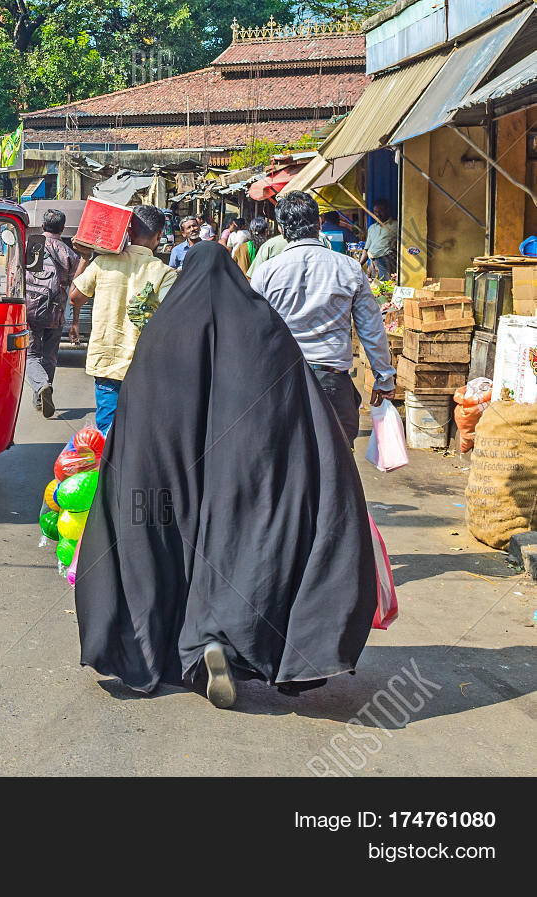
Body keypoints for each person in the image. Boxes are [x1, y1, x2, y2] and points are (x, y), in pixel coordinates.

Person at [75, 241, 379, 708]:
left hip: (165, 478)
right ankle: (219, 635)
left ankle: (151, 646)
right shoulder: (265, 327)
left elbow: (136, 413)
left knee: (162, 544)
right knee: (236, 546)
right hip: (245, 471)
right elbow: (299, 407)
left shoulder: (164, 328)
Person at [251, 191, 395, 449]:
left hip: (282, 380)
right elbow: (371, 329)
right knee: (337, 461)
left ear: (281, 229)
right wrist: (384, 377)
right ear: (318, 224)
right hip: (332, 382)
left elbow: (254, 333)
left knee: (288, 459)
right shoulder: (349, 268)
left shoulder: (265, 273)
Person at [68, 205, 177, 434]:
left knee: (107, 431)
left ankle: (109, 456)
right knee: (140, 431)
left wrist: (85, 258)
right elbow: (170, 317)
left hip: (107, 362)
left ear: (128, 231)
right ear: (159, 235)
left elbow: (75, 297)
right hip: (145, 365)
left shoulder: (102, 263)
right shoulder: (165, 273)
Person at [23, 208, 82, 418]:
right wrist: (75, 320)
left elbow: (16, 275)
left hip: (30, 310)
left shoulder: (30, 247)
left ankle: (41, 387)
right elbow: (78, 285)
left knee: (31, 355)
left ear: (42, 226)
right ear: (62, 229)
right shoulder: (68, 253)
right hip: (56, 311)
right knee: (49, 356)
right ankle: (42, 393)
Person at [365, 201, 398, 281]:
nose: (378, 214)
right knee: (374, 285)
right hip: (373, 262)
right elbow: (366, 249)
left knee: (387, 284)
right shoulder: (372, 228)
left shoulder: (396, 225)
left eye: (381, 211)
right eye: (375, 212)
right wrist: (359, 264)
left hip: (386, 260)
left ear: (387, 210)